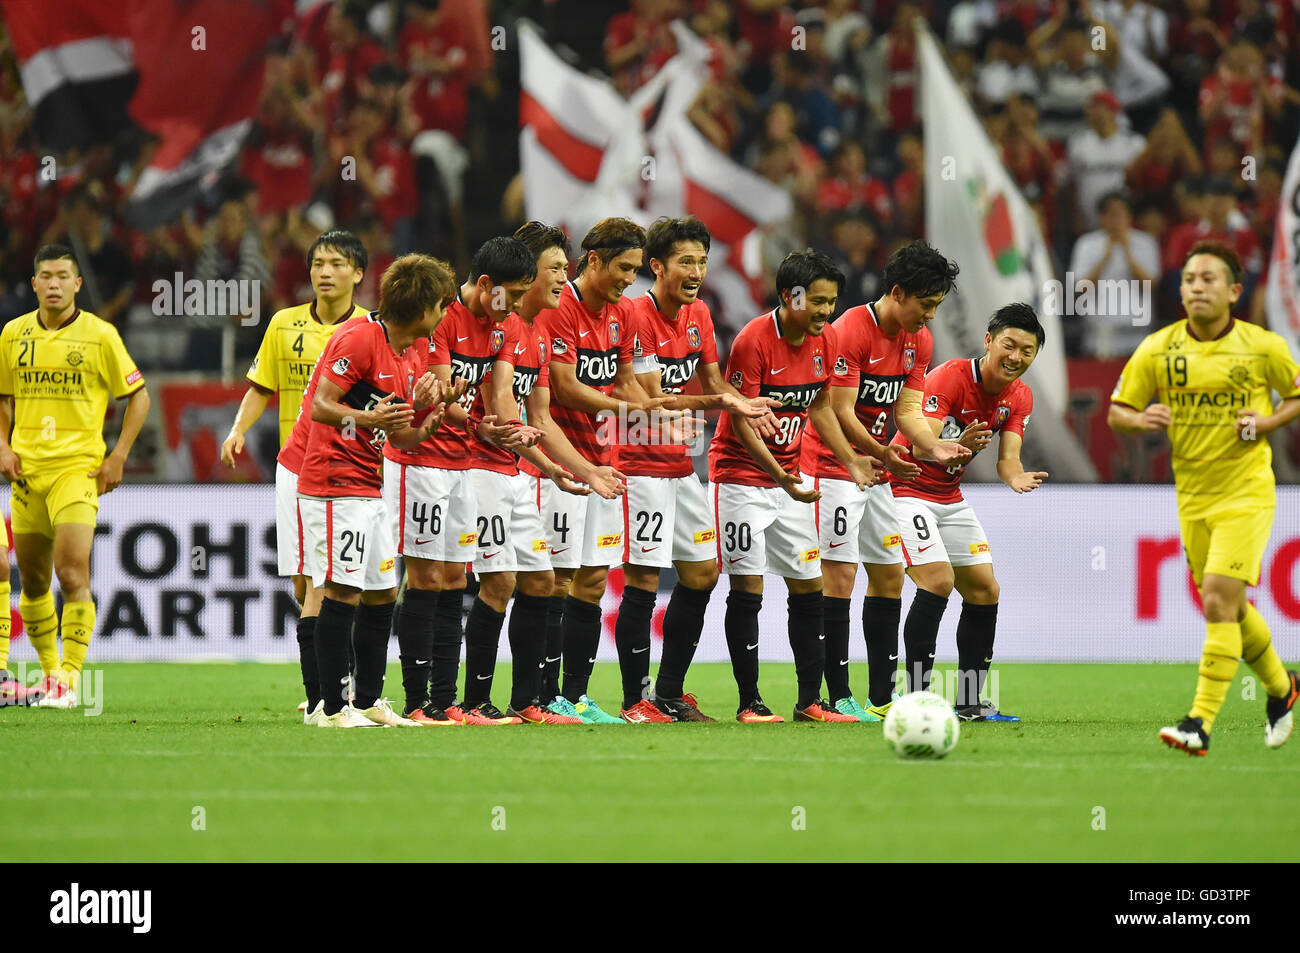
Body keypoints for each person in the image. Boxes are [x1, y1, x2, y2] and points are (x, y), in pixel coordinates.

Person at [1109, 241, 1300, 755]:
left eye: (1209, 279)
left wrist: (1267, 421)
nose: (1196, 287)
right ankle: (1283, 689)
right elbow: (1117, 411)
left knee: (1216, 597)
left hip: (1247, 488)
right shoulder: (1159, 348)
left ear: (1235, 291)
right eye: (1189, 278)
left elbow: (1297, 395)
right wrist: (1140, 418)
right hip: (1191, 493)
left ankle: (1199, 722)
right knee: (1229, 606)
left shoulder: (1263, 347)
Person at [615, 216, 780, 723]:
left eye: (702, 261)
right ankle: (634, 700)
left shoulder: (700, 315)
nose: (697, 271)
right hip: (638, 465)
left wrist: (749, 404)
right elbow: (648, 398)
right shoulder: (635, 315)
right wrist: (711, 403)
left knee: (704, 572)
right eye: (686, 261)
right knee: (643, 576)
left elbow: (713, 381)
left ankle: (668, 691)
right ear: (657, 265)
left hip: (680, 468)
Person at [462, 222, 624, 725]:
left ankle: (528, 700)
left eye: (563, 268)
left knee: (540, 581)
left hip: (519, 470)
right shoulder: (504, 327)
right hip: (475, 466)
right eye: (553, 268)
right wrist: (557, 467)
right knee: (487, 583)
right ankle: (471, 702)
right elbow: (504, 403)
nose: (563, 277)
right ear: (525, 274)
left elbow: (541, 419)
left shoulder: (535, 331)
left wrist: (576, 470)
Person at [708, 249, 879, 724]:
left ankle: (811, 701)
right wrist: (779, 474)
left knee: (809, 586)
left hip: (790, 479)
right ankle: (749, 702)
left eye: (832, 302)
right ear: (791, 295)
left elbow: (821, 405)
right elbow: (741, 422)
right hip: (741, 477)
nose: (827, 312)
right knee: (748, 588)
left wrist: (851, 459)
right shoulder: (753, 341)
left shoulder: (824, 342)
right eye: (819, 302)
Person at [801, 240, 969, 721]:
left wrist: (932, 446)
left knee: (890, 574)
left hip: (876, 471)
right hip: (833, 466)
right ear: (898, 292)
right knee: (840, 575)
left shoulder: (920, 341)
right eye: (927, 305)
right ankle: (836, 695)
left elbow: (908, 410)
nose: (931, 317)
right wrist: (882, 453)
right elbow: (839, 410)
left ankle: (880, 697)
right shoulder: (850, 329)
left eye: (938, 306)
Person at [297, 253, 459, 727]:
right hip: (333, 481)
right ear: (425, 307)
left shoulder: (410, 353)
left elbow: (404, 437)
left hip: (371, 483)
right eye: (442, 306)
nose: (446, 314)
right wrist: (371, 419)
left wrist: (432, 412)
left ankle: (367, 702)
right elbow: (322, 407)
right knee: (342, 589)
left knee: (382, 592)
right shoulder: (360, 337)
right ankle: (329, 708)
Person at [384, 237, 538, 725]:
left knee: (456, 578)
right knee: (425, 577)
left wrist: (511, 429)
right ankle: (414, 700)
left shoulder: (506, 326)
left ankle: (447, 701)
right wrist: (476, 423)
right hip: (421, 459)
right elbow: (441, 396)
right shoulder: (441, 316)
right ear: (487, 285)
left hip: (465, 466)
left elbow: (499, 394)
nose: (516, 307)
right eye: (511, 296)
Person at [220, 230, 370, 718]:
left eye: (336, 263)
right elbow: (261, 386)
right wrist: (238, 429)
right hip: (297, 468)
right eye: (318, 263)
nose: (325, 272)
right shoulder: (285, 324)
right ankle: (323, 692)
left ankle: (334, 695)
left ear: (358, 273)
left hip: (355, 470)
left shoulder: (371, 328)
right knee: (305, 585)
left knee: (345, 582)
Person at [0, 245, 151, 708]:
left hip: (77, 469)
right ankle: (49, 677)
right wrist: (3, 446)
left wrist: (118, 455)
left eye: (63, 276)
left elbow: (139, 396)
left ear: (77, 284)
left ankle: (68, 680)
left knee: (72, 571)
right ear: (34, 283)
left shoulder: (100, 335)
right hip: (28, 472)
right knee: (34, 579)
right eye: (45, 276)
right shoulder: (12, 334)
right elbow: (4, 398)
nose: (54, 284)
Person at [888, 303, 1049, 723]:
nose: (1016, 357)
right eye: (1009, 345)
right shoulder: (950, 377)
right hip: (905, 490)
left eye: (1027, 351)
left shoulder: (1020, 397)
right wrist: (957, 445)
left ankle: (970, 702)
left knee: (985, 590)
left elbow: (1006, 461)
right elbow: (924, 444)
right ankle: (917, 697)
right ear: (989, 341)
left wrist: (1015, 477)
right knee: (938, 581)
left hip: (949, 497)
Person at [543, 218, 672, 725]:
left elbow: (623, 383)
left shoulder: (622, 314)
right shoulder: (559, 309)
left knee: (592, 579)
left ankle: (574, 696)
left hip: (603, 464)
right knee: (553, 580)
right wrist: (635, 412)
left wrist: (659, 412)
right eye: (622, 267)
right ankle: (540, 694)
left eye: (636, 270)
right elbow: (566, 389)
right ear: (592, 259)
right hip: (556, 463)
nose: (629, 279)